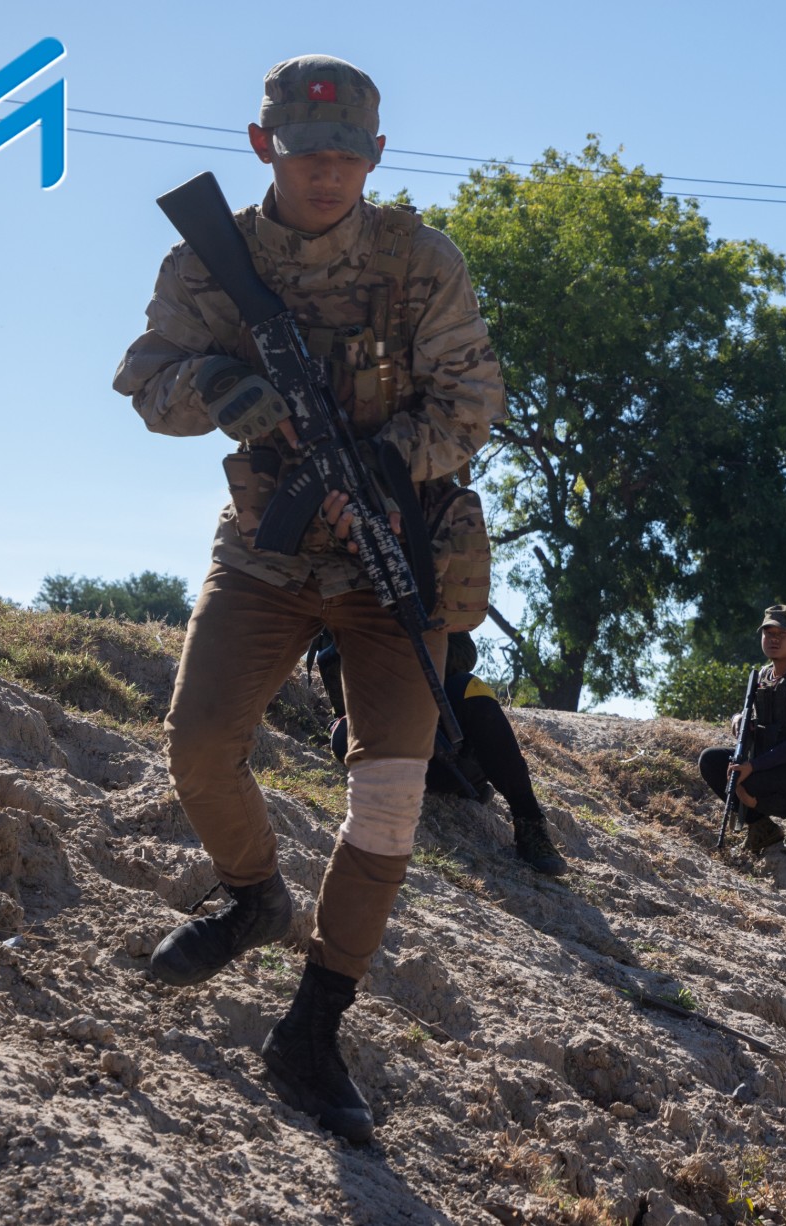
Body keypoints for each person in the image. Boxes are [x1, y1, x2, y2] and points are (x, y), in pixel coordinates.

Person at [113, 54, 504, 1144]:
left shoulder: (421, 261)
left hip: (395, 554)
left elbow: (472, 398)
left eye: (345, 155)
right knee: (196, 744)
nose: (324, 174)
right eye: (302, 153)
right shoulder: (208, 260)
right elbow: (147, 376)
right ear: (262, 146)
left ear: (376, 156)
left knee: (388, 798)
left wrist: (382, 471)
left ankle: (313, 1023)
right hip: (265, 555)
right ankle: (253, 894)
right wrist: (230, 390)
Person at [316, 631, 568, 876]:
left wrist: (415, 653)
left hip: (443, 728)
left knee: (473, 688)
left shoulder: (424, 591)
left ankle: (529, 823)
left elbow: (466, 653)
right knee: (342, 736)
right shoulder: (347, 598)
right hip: (382, 724)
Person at [697, 605, 786, 855]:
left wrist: (752, 767)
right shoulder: (764, 675)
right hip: (775, 765)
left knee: (747, 777)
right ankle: (761, 827)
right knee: (711, 761)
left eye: (782, 634)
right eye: (768, 633)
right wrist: (739, 718)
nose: (774, 639)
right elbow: (759, 720)